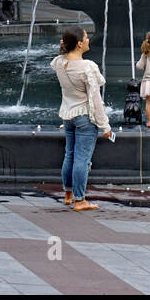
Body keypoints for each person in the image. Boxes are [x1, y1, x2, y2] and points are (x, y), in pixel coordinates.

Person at [51, 26, 112, 211]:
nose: (88, 40)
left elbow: (61, 56)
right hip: (85, 117)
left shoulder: (59, 62)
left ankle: (68, 194)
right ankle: (80, 200)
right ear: (79, 44)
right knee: (82, 159)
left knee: (69, 155)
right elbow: (95, 99)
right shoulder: (87, 67)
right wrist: (105, 126)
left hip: (67, 115)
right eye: (86, 38)